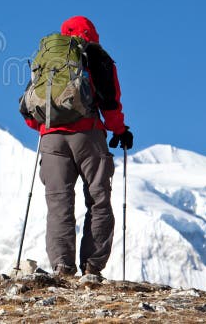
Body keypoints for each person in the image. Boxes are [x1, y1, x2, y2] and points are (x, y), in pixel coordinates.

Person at [23, 15, 133, 278]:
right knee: (97, 199)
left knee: (59, 202)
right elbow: (110, 101)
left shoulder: (47, 60)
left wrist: (47, 127)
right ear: (92, 33)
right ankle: (92, 267)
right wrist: (120, 130)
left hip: (51, 139)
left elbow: (29, 110)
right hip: (88, 135)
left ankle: (62, 267)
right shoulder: (96, 56)